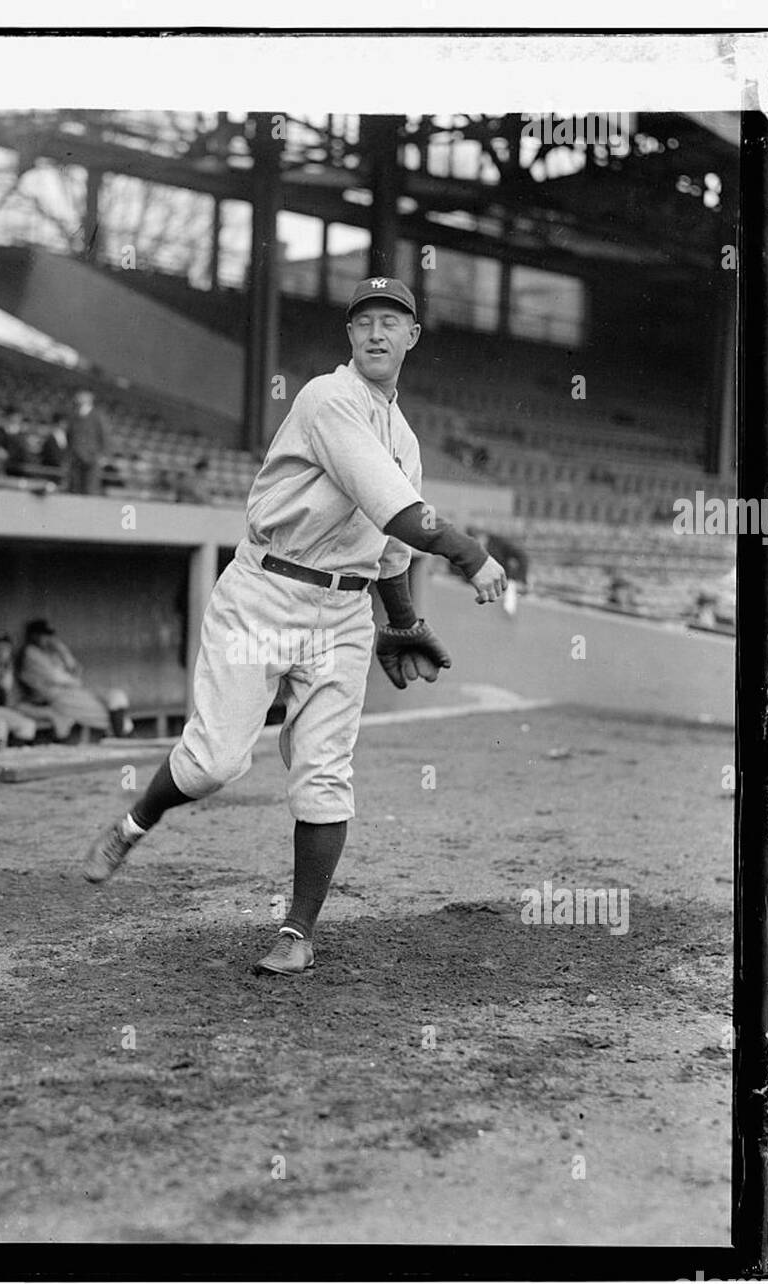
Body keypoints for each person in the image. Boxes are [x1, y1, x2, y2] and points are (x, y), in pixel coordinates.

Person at [81, 275, 507, 976]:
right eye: (364, 320)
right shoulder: (327, 397)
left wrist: (400, 620)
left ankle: (297, 931)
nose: (376, 332)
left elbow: (391, 548)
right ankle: (133, 825)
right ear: (351, 335)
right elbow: (399, 511)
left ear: (412, 337)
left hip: (342, 612)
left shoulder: (404, 439)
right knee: (216, 761)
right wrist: (469, 554)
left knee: (325, 775)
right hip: (266, 590)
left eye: (390, 321)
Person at [17, 619, 133, 740]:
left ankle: (119, 734)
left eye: (49, 635)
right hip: (56, 697)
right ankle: (119, 737)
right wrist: (74, 680)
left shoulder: (52, 652)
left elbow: (76, 670)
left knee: (117, 696)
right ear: (33, 636)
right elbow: (56, 677)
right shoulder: (30, 653)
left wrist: (62, 650)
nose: (48, 638)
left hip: (73, 692)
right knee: (114, 719)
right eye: (44, 635)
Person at [466, 525, 529, 617]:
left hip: (505, 581)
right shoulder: (468, 548)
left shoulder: (498, 543)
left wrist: (521, 579)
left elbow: (521, 556)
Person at [68, 389, 112, 495]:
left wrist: (104, 455)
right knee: (75, 488)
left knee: (90, 488)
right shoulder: (74, 416)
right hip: (76, 458)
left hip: (92, 457)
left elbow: (104, 436)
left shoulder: (98, 416)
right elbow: (70, 436)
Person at [0, 407, 30, 475]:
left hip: (13, 466)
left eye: (17, 418)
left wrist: (8, 455)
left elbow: (21, 452)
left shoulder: (21, 435)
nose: (15, 420)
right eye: (13, 417)